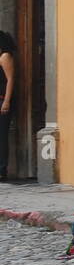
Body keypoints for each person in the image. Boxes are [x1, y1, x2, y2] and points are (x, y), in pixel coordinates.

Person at [0, 30, 15, 182]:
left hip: (2, 100)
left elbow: (10, 79)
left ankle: (2, 170)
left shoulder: (5, 57)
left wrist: (6, 100)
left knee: (2, 135)